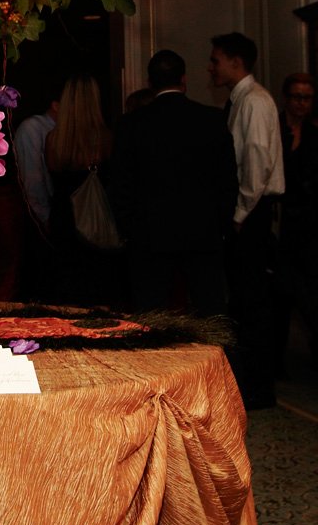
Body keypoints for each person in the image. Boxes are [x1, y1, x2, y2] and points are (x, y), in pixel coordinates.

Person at [110, 49, 237, 316]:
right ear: (184, 80)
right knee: (210, 315)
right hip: (202, 233)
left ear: (150, 82)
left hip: (149, 235)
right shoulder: (211, 120)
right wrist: (222, 226)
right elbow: (227, 181)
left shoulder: (131, 124)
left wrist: (129, 229)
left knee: (152, 317)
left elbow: (120, 184)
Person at [207, 33, 285, 408]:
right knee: (244, 299)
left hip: (251, 212)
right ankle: (248, 383)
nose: (211, 67)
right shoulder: (243, 99)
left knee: (252, 301)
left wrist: (239, 214)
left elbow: (256, 162)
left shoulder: (254, 100)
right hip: (248, 210)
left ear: (236, 62)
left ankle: (257, 387)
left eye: (216, 60)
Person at [44, 73, 117, 307]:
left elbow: (51, 175)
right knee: (97, 287)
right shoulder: (106, 138)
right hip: (94, 217)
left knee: (68, 290)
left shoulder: (54, 139)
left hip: (63, 216)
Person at [274, 72, 318, 374]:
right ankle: (276, 359)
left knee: (309, 294)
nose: (301, 103)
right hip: (279, 223)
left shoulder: (313, 135)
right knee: (278, 295)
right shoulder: (276, 129)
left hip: (307, 226)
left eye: (307, 98)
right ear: (286, 98)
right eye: (296, 97)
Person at [13, 90, 59, 299]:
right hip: (36, 216)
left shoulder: (62, 130)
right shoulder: (33, 127)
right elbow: (32, 178)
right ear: (56, 105)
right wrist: (44, 217)